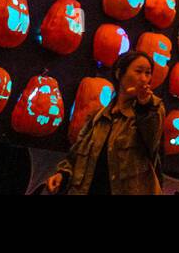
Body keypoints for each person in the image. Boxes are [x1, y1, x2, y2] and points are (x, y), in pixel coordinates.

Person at [46, 51, 164, 195]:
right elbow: (76, 154)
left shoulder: (151, 110)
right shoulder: (98, 117)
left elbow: (152, 136)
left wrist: (145, 105)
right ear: (119, 74)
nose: (144, 78)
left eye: (148, 73)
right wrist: (63, 174)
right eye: (139, 71)